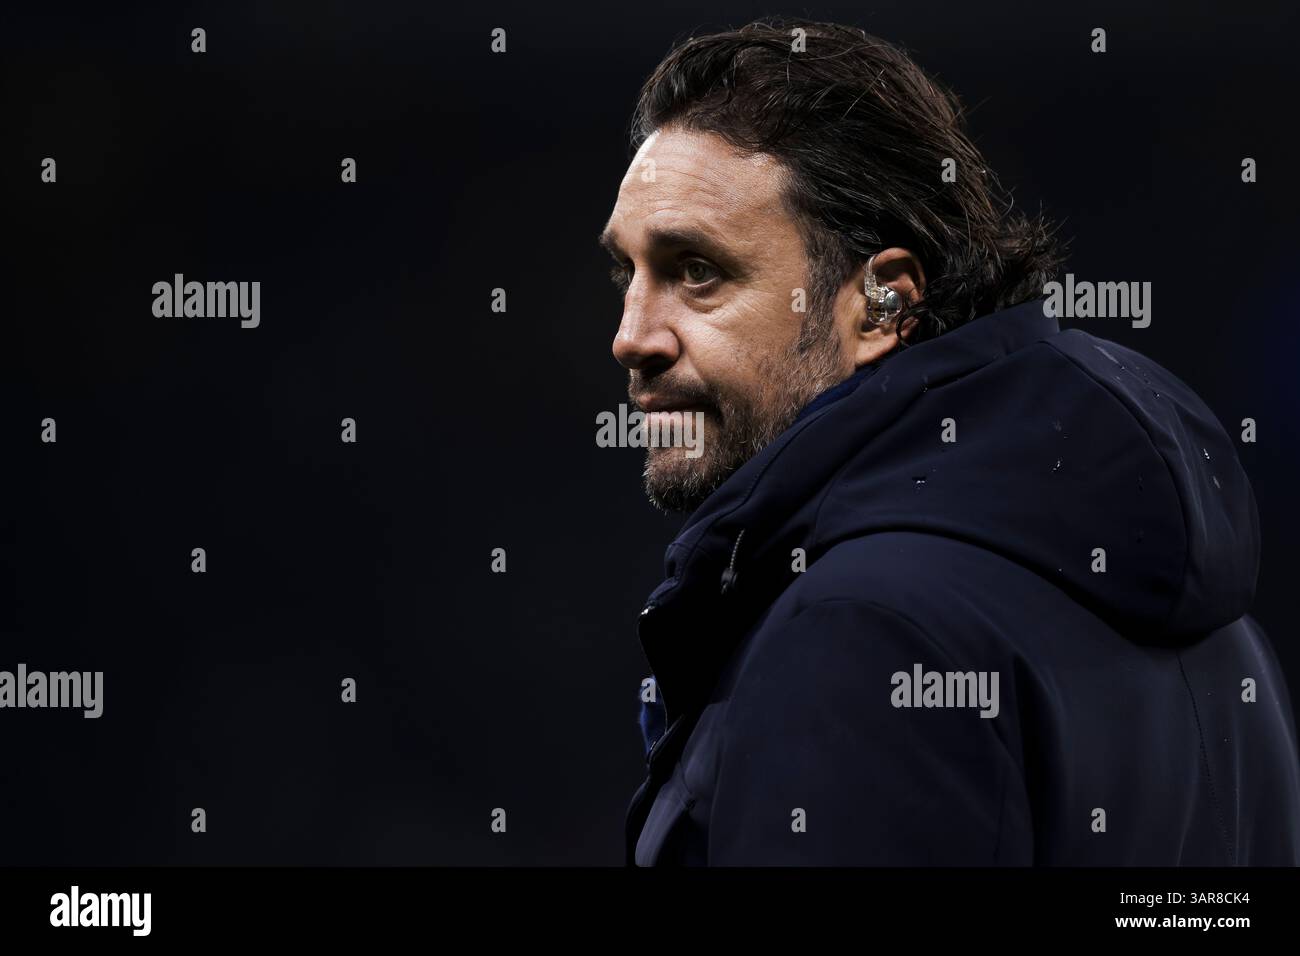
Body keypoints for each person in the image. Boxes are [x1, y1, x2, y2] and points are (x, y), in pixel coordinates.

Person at [599, 18, 1300, 865]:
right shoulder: (1228, 644)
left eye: (696, 271)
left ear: (883, 304)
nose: (633, 335)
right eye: (625, 273)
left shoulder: (855, 634)